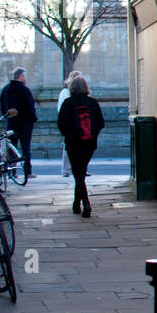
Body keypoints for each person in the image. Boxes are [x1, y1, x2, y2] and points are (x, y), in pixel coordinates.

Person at [58, 74, 105, 217]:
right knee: (81, 173)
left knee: (78, 174)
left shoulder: (67, 103)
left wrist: (68, 135)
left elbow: (61, 124)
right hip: (89, 144)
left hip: (73, 144)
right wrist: (93, 135)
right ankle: (76, 203)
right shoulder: (93, 102)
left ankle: (86, 203)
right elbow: (100, 123)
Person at [0, 67, 37, 179]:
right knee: (26, 149)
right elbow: (31, 107)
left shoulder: (6, 89)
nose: (26, 78)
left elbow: (2, 106)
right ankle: (27, 171)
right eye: (25, 76)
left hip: (12, 123)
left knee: (12, 149)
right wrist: (33, 118)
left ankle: (12, 171)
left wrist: (8, 117)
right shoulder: (24, 90)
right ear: (20, 76)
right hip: (25, 124)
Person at [57, 72, 79, 177]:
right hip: (70, 124)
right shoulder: (65, 92)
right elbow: (61, 110)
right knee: (67, 147)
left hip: (78, 124)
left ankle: (80, 168)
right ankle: (65, 169)